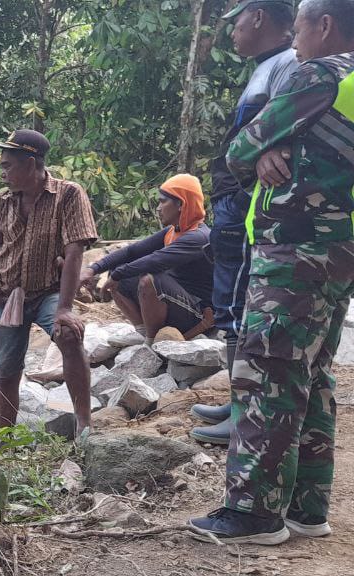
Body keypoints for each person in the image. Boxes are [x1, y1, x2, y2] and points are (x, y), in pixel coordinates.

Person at [190, 0, 354, 545]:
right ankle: (308, 509)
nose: (297, 39)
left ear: (324, 25)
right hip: (340, 249)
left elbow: (240, 149)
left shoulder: (319, 74)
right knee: (314, 374)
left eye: (302, 27)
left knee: (267, 371)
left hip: (294, 249)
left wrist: (263, 150)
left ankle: (253, 515)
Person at [190, 0, 302, 445]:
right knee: (230, 299)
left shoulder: (287, 64)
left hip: (245, 202)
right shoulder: (268, 66)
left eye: (235, 22)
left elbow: (292, 124)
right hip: (233, 201)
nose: (232, 32)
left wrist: (273, 153)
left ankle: (244, 413)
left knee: (239, 303)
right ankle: (238, 401)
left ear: (257, 17)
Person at [0, 129, 97, 436]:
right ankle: (5, 440)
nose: (3, 172)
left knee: (69, 336)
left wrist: (64, 307)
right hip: (6, 294)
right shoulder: (0, 202)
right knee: (7, 371)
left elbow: (75, 251)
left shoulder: (69, 194)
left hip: (48, 290)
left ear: (32, 163)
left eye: (8, 165)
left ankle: (84, 425)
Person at [81, 175, 214, 344]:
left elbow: (155, 260)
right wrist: (93, 269)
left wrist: (117, 275)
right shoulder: (172, 231)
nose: (158, 208)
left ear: (181, 204)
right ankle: (143, 332)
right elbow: (131, 251)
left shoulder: (199, 237)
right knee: (119, 270)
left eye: (163, 202)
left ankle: (150, 344)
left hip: (199, 313)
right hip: (177, 303)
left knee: (149, 279)